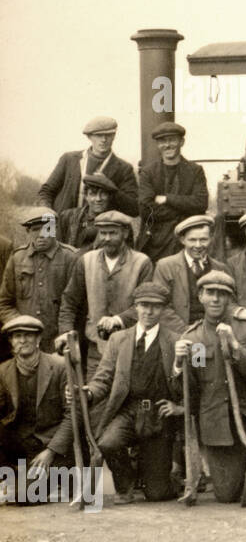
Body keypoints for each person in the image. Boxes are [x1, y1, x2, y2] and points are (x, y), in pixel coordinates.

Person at [172, 271, 246, 504]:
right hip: (219, 422)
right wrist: (178, 365)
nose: (215, 299)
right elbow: (192, 389)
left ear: (230, 298)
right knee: (227, 495)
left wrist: (235, 347)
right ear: (201, 297)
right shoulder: (195, 338)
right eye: (210, 293)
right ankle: (245, 465)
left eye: (222, 294)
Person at [76, 283, 183, 502]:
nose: (148, 311)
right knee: (108, 443)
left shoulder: (175, 341)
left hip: (158, 414)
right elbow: (103, 377)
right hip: (128, 410)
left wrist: (178, 406)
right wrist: (88, 393)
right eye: (144, 305)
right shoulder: (118, 339)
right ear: (135, 307)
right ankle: (125, 485)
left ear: (163, 309)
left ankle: (169, 475)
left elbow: (187, 383)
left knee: (157, 494)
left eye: (155, 306)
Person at [57, 212, 154, 370]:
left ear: (125, 233)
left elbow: (146, 304)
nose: (107, 238)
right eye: (103, 233)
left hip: (131, 348)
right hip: (96, 349)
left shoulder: (142, 263)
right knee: (94, 392)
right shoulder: (86, 261)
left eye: (113, 233)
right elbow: (69, 301)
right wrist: (66, 332)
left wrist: (118, 319)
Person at [0, 316, 70, 503]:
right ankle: (14, 479)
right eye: (17, 336)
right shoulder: (3, 371)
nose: (23, 341)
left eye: (28, 336)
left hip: (49, 447)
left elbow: (72, 415)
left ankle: (50, 483)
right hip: (20, 447)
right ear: (11, 342)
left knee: (26, 497)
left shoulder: (59, 367)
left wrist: (51, 451)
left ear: (38, 339)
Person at [0, 208, 78, 353]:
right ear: (28, 232)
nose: (42, 235)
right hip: (24, 344)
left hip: (58, 343)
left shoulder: (70, 258)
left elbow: (76, 304)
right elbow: (4, 303)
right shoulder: (17, 258)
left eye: (47, 229)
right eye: (36, 229)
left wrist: (65, 334)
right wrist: (21, 326)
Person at [38, 116, 140, 217]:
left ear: (114, 136)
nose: (104, 139)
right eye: (98, 135)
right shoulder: (69, 159)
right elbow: (46, 191)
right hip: (64, 226)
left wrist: (111, 188)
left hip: (100, 230)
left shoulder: (124, 168)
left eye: (108, 135)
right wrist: (48, 215)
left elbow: (134, 209)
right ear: (89, 137)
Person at [136, 122, 210, 262]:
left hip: (188, 238)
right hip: (155, 241)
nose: (167, 145)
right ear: (158, 145)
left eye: (172, 140)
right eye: (162, 141)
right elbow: (145, 210)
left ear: (181, 142)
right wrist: (185, 210)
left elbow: (201, 203)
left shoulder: (195, 171)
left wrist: (167, 199)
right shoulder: (148, 172)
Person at [153, 215, 235, 333]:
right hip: (178, 333)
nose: (198, 245)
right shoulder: (165, 266)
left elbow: (229, 304)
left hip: (213, 333)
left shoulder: (220, 268)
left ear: (211, 238)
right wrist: (188, 333)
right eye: (192, 240)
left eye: (203, 239)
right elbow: (162, 306)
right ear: (182, 240)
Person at [56, 172, 116, 254]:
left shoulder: (116, 223)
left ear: (109, 197)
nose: (98, 199)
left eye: (103, 194)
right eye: (93, 194)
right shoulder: (67, 216)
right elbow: (55, 248)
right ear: (86, 196)